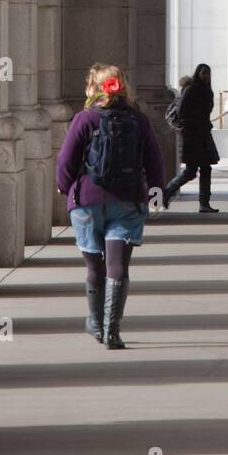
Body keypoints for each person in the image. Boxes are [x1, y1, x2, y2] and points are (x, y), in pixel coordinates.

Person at [57, 63, 166, 350]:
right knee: (118, 266)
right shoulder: (138, 120)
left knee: (94, 264)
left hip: (87, 202)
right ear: (123, 86)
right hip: (128, 200)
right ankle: (112, 331)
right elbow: (154, 161)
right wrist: (156, 194)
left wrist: (66, 188)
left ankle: (95, 322)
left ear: (93, 87)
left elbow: (66, 162)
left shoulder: (84, 119)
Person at [163, 62, 221, 213]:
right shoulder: (192, 89)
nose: (206, 76)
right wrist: (192, 126)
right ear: (198, 74)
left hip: (203, 134)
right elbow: (182, 111)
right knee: (191, 171)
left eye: (208, 74)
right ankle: (167, 192)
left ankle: (204, 203)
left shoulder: (207, 91)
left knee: (205, 168)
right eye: (203, 73)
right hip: (193, 136)